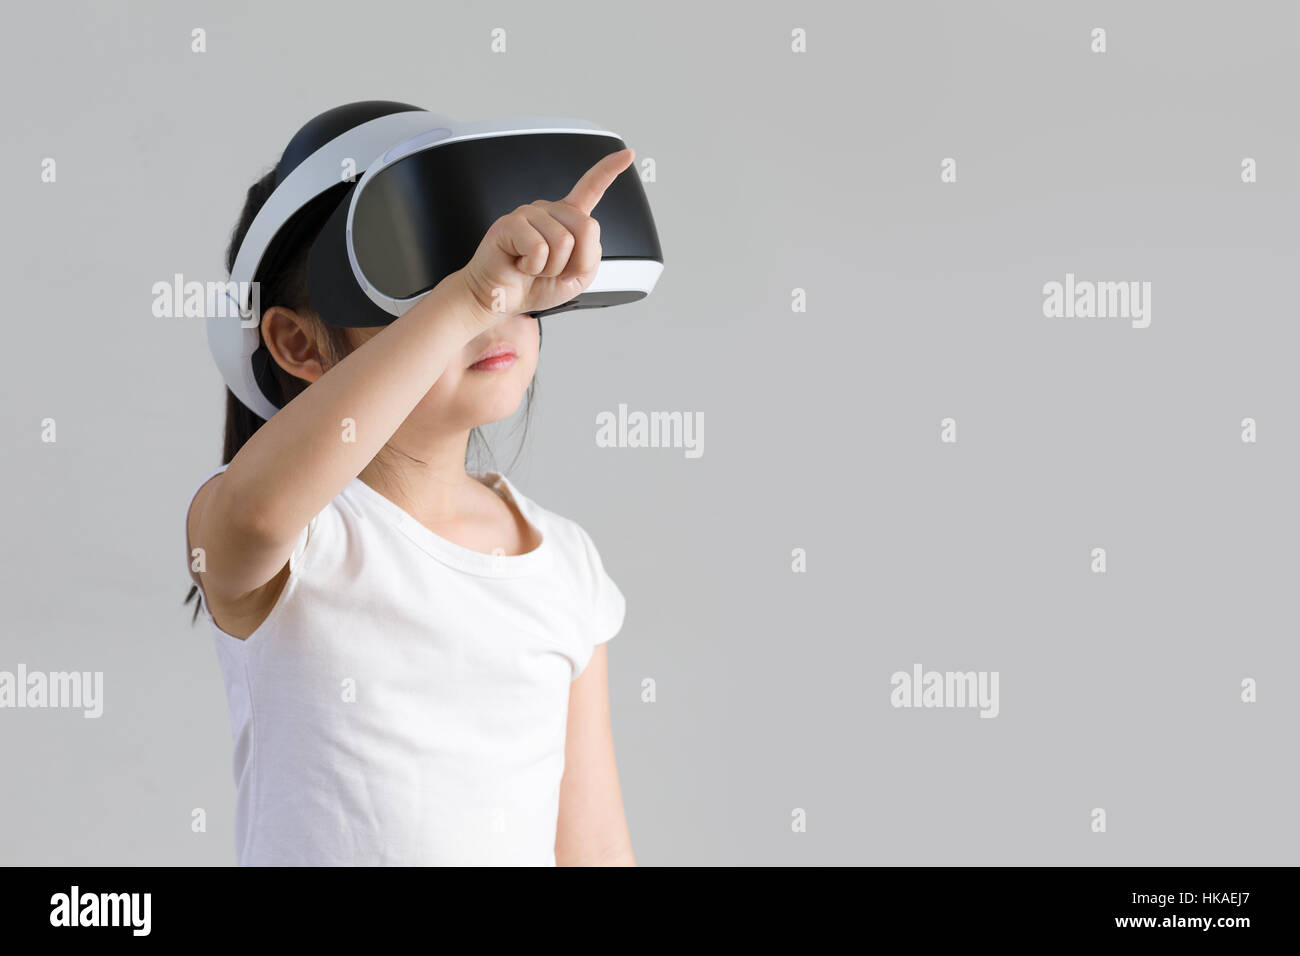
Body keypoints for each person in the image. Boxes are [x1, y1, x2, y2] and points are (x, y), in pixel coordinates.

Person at [183, 117, 637, 866]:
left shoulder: (565, 565)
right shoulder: (294, 539)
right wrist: (471, 292)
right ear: (299, 344)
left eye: (503, 272)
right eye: (424, 284)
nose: (497, 302)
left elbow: (593, 848)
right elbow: (255, 515)